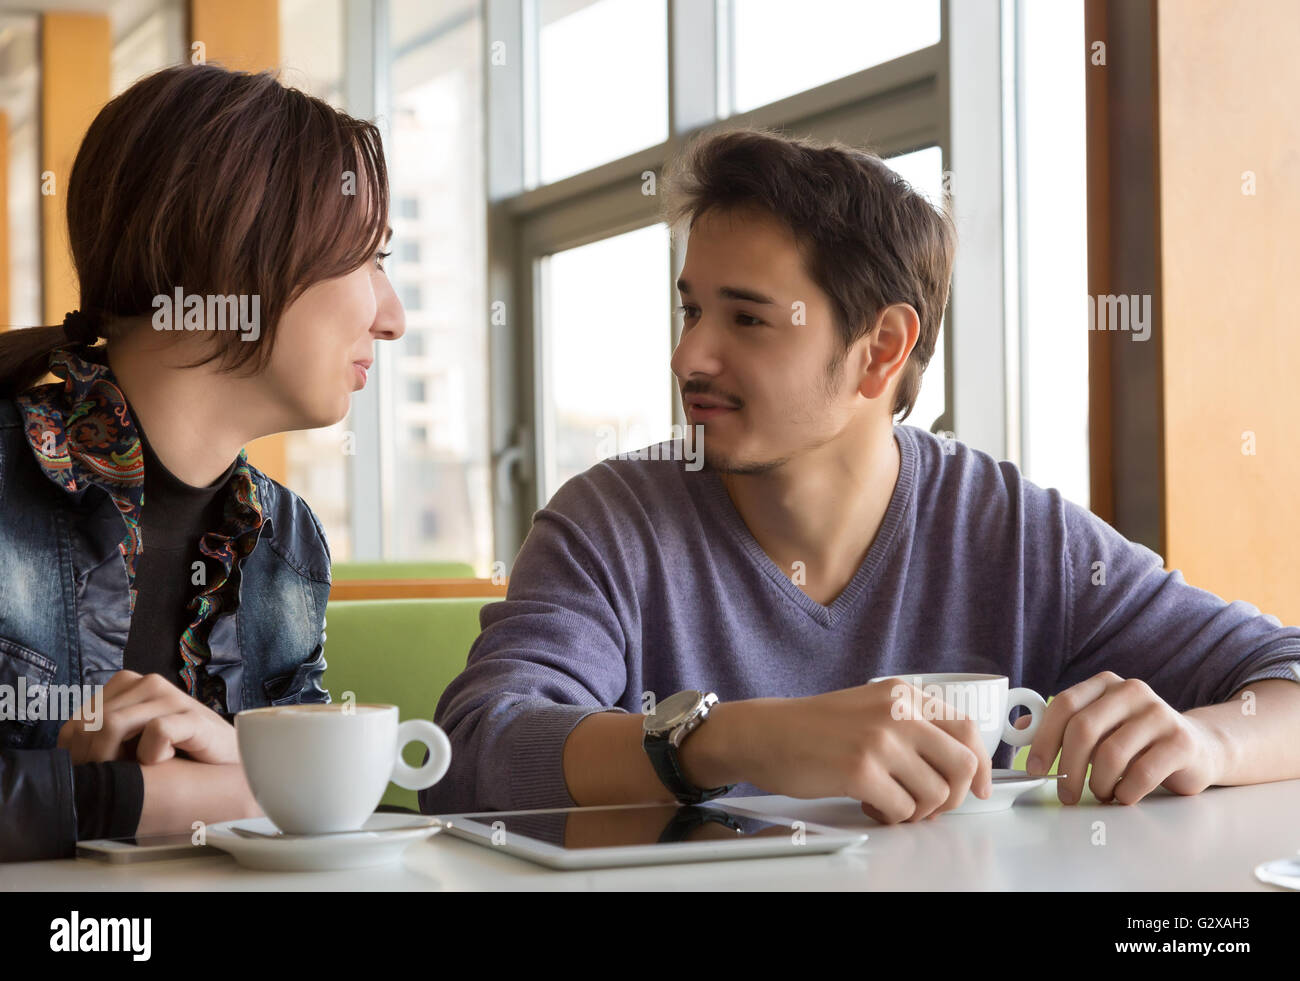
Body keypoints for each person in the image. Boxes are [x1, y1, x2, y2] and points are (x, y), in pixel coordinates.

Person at [420, 127, 1300, 826]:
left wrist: (1205, 743)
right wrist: (731, 738)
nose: (689, 353)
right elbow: (468, 753)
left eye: (748, 319)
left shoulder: (1013, 532)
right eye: (692, 308)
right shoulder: (611, 521)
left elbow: (1285, 673)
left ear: (881, 350)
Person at [0, 63, 405, 861]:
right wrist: (129, 797)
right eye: (370, 260)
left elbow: (320, 815)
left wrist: (245, 777)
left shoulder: (287, 539)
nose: (390, 318)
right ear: (238, 252)